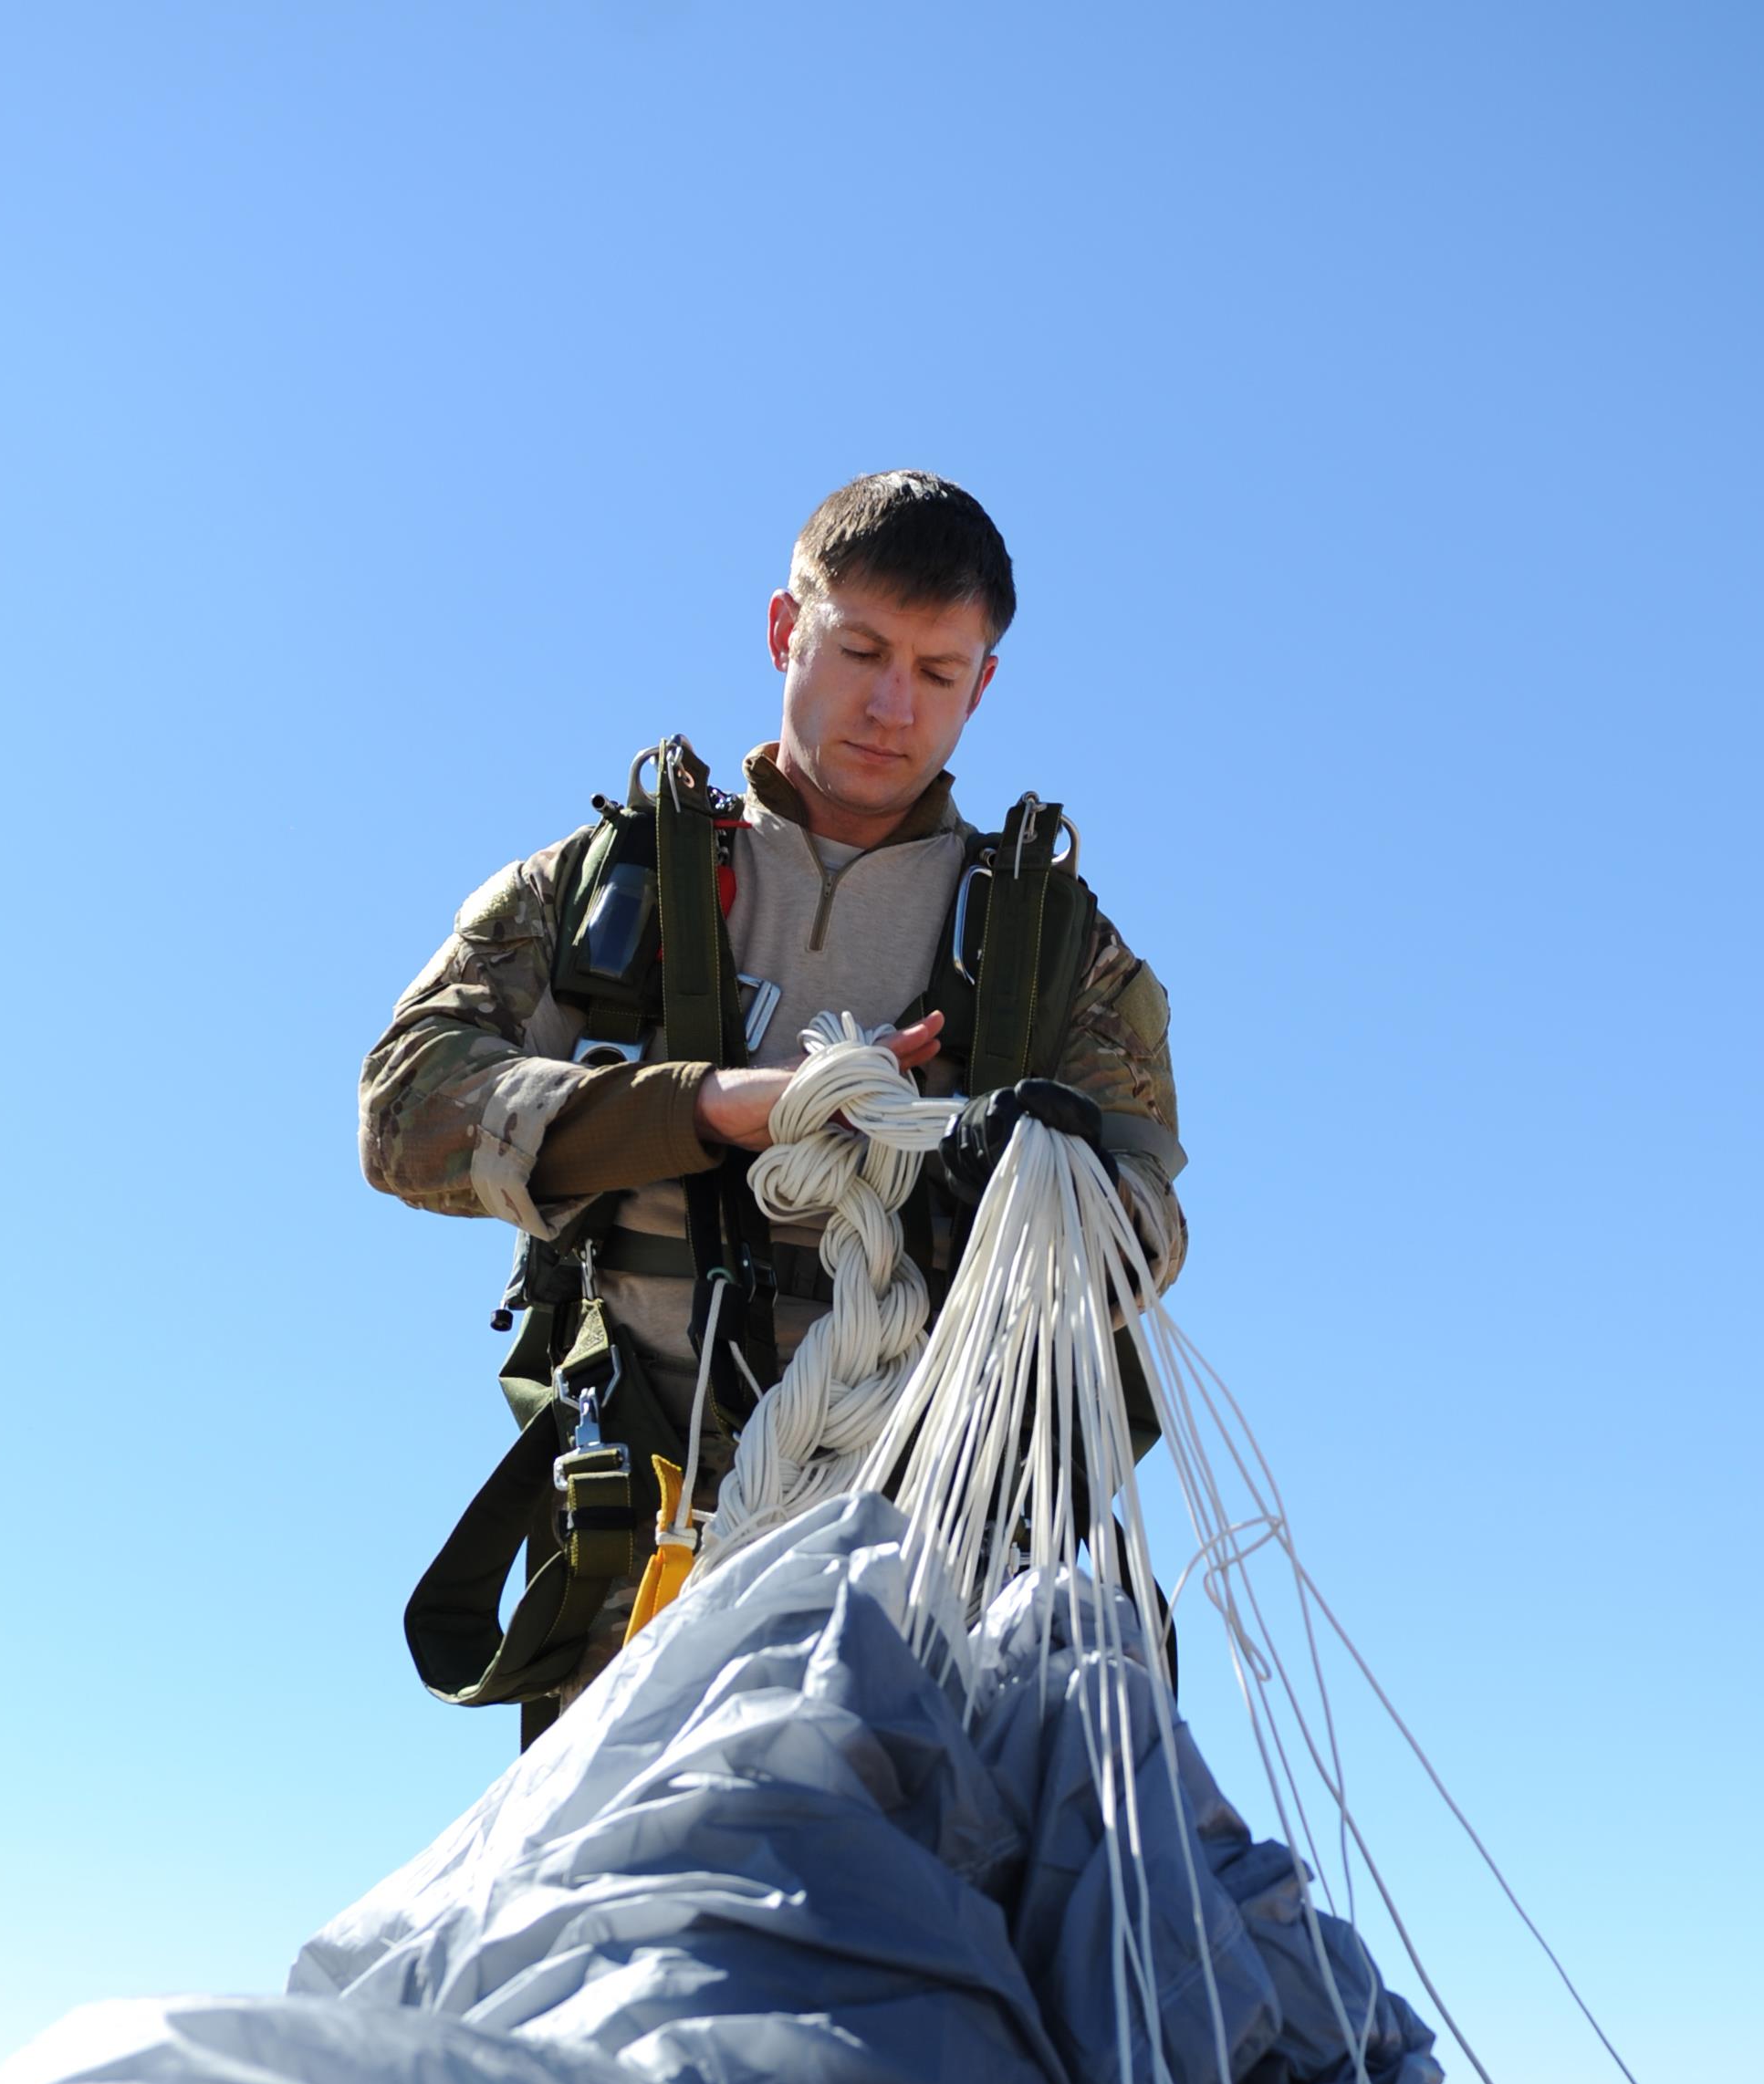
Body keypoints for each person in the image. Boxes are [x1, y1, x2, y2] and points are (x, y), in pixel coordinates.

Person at [360, 469, 1188, 1734]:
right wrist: (716, 1107)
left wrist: (1017, 1179)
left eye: (938, 671)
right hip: (647, 1549)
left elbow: (1151, 1231)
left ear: (984, 686)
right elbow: (403, 1112)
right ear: (782, 631)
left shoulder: (1064, 952)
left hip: (939, 1558)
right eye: (858, 649)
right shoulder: (602, 888)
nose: (890, 704)